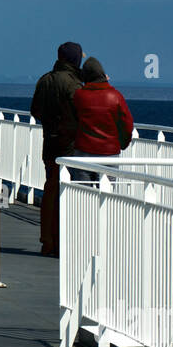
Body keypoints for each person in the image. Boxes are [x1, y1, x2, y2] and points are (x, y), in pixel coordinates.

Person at [30, 41, 84, 256]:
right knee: (68, 192)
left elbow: (36, 110)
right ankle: (63, 240)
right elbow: (79, 112)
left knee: (50, 189)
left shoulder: (45, 80)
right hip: (69, 144)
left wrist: (51, 124)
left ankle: (47, 241)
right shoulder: (73, 83)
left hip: (49, 142)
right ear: (74, 58)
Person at [70, 57, 135, 185]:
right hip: (109, 154)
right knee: (107, 196)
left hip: (83, 152)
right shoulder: (115, 96)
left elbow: (71, 121)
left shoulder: (79, 96)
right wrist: (122, 144)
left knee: (82, 195)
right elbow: (127, 125)